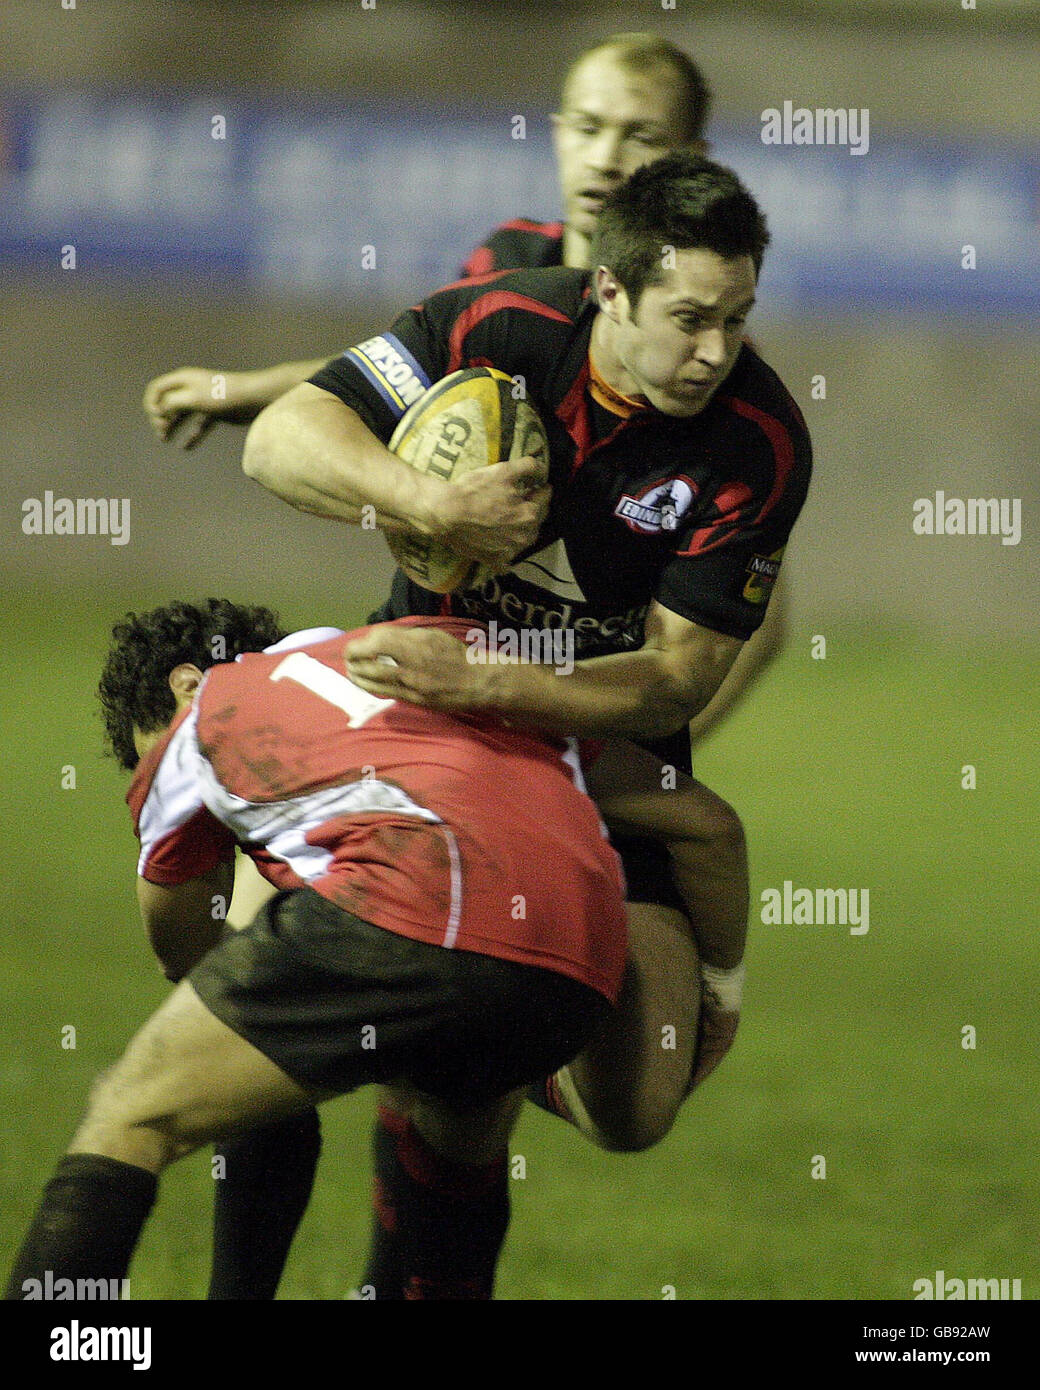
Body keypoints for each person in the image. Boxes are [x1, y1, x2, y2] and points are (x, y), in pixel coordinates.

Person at [242, 151, 811, 1294]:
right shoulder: (496, 324)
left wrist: (501, 693)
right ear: (608, 290)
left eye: (737, 318)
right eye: (689, 318)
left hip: (595, 745)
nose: (715, 350)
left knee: (636, 1108)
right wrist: (424, 501)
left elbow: (671, 682)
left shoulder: (758, 442)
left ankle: (496, 1040)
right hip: (417, 712)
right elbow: (280, 439)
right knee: (259, 1003)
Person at [5, 598, 633, 1301]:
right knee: (455, 1145)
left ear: (185, 684)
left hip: (421, 901)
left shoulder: (210, 711)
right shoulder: (418, 654)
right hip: (586, 951)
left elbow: (182, 952)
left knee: (131, 1110)